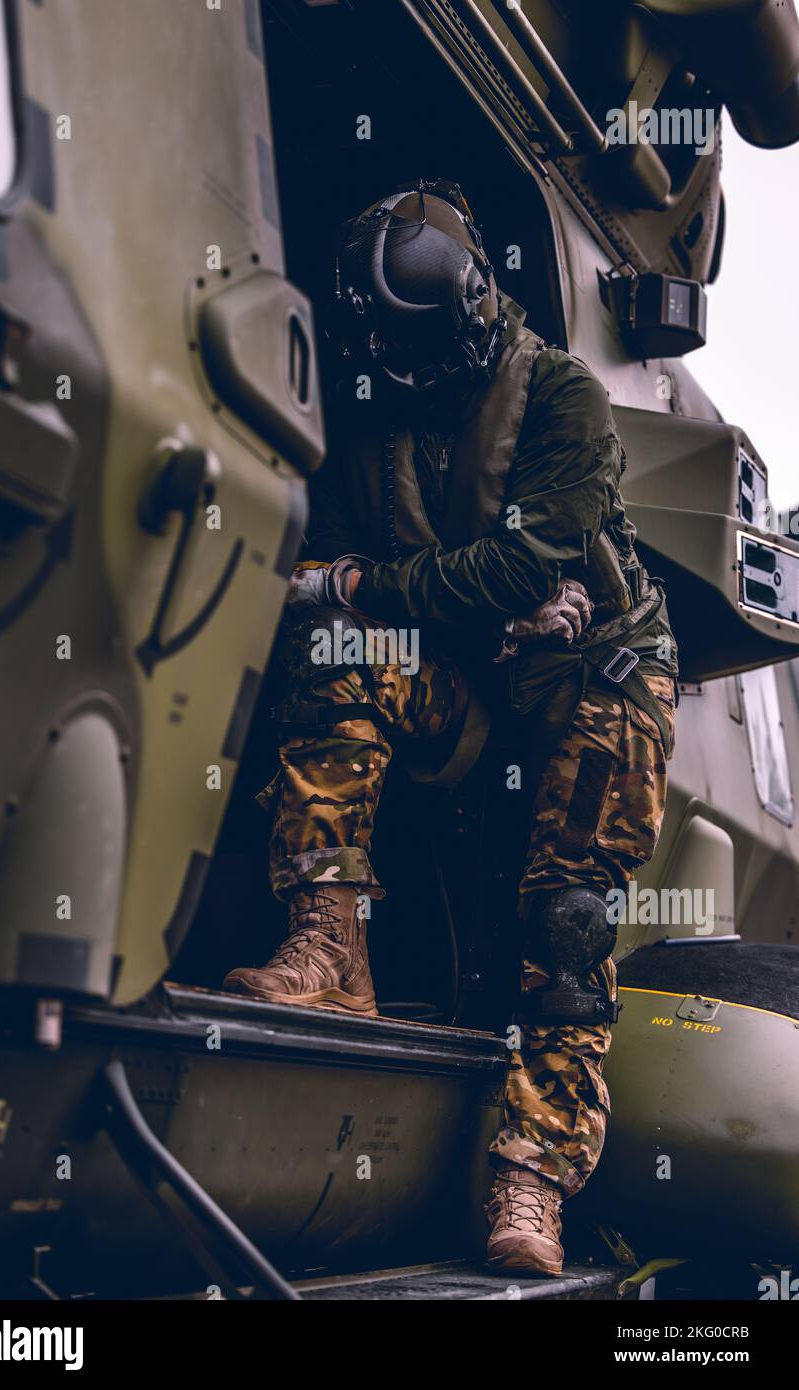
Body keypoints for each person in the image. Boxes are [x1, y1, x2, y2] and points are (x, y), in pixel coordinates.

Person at [224, 180, 677, 1277]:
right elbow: (338, 575)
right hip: (479, 680)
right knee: (335, 652)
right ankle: (332, 941)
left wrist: (380, 580)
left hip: (600, 682)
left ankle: (532, 1174)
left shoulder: (563, 396)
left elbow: (528, 560)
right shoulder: (371, 406)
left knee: (567, 925)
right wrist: (442, 596)